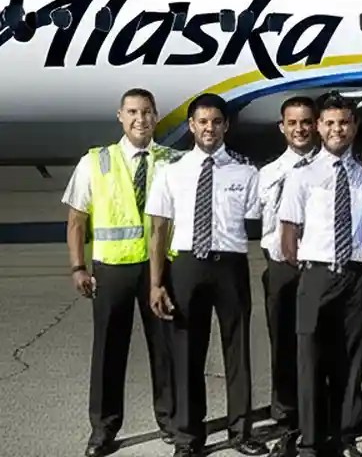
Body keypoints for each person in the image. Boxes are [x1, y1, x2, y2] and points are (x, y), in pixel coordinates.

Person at [146, 93, 267, 457]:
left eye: (216, 121)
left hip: (229, 265)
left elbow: (262, 218)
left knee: (238, 349)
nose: (209, 128)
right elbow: (157, 231)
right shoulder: (172, 171)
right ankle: (188, 437)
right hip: (186, 265)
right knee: (186, 352)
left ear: (226, 125)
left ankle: (240, 430)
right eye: (202, 121)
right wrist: (156, 282)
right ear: (192, 126)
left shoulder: (246, 172)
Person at [65, 87, 179, 457]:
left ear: (156, 116)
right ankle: (103, 428)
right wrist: (78, 266)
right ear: (120, 116)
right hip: (112, 268)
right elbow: (77, 220)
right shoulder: (95, 161)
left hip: (161, 268)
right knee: (109, 350)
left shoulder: (174, 160)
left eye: (146, 112)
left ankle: (171, 420)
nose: (140, 119)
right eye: (132, 112)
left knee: (165, 348)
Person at [278, 92, 362, 457]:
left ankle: (346, 436)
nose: (337, 129)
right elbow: (289, 237)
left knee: (352, 359)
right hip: (317, 275)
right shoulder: (301, 176)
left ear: (354, 126)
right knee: (311, 359)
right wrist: (310, 268)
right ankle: (311, 440)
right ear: (319, 126)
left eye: (344, 122)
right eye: (330, 122)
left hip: (356, 275)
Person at [258, 96, 320, 457]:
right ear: (282, 127)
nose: (300, 129)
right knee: (282, 342)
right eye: (292, 123)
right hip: (280, 267)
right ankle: (286, 414)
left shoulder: (326, 168)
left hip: (315, 265)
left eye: (306, 122)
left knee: (316, 344)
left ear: (315, 125)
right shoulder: (267, 173)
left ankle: (321, 410)